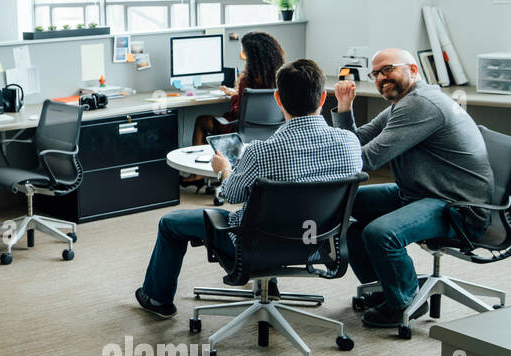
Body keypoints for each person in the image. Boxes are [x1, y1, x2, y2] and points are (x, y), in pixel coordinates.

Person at [136, 59, 363, 317]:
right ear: (323, 96)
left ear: (278, 99)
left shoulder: (261, 152)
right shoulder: (350, 142)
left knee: (170, 223)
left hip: (259, 246)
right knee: (279, 214)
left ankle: (157, 299)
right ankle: (270, 284)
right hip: (318, 243)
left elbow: (231, 194)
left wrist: (224, 169)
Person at [333, 48, 494, 328]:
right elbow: (356, 142)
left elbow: (367, 159)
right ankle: (383, 288)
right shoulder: (402, 104)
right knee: (343, 203)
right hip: (421, 192)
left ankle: (404, 302)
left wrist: (314, 163)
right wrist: (345, 108)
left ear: (413, 70)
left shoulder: (420, 105)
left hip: (457, 205)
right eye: (376, 73)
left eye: (388, 69)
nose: (382, 78)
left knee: (380, 233)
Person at [183, 31, 284, 189]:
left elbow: (237, 110)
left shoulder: (247, 79)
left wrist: (235, 94)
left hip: (237, 128)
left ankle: (197, 175)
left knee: (201, 121)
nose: (241, 54)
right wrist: (236, 93)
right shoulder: (280, 76)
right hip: (270, 130)